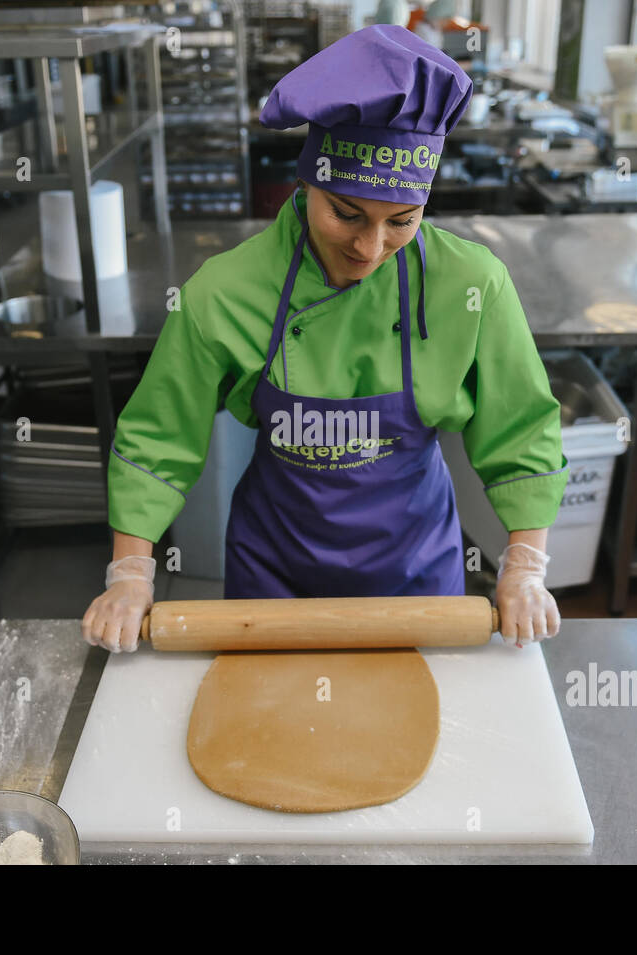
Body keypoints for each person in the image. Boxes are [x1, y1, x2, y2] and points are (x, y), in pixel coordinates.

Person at [82, 25, 567, 653]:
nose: (369, 249)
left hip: (416, 570)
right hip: (275, 572)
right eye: (345, 213)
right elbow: (158, 434)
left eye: (402, 221)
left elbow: (522, 427)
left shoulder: (473, 286)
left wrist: (526, 565)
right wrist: (130, 573)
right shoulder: (225, 292)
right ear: (305, 183)